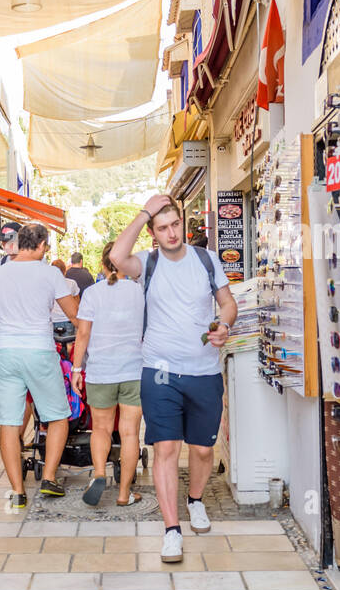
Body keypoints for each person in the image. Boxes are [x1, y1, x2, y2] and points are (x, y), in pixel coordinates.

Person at [110, 194, 237, 563]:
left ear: (183, 223)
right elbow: (117, 257)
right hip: (159, 370)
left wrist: (225, 324)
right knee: (166, 448)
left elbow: (228, 302)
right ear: (153, 232)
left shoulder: (205, 259)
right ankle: (171, 530)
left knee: (201, 449)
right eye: (162, 227)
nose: (171, 233)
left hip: (204, 371)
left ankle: (195, 500)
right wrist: (144, 211)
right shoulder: (146, 264)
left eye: (175, 225)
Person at [0, 223, 80, 507]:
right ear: (41, 245)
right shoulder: (50, 272)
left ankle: (17, 491)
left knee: (9, 421)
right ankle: (49, 478)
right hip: (39, 350)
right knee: (58, 416)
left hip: (4, 351)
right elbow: (74, 314)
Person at [71, 241, 144, 508]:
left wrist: (77, 369)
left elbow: (83, 333)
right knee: (129, 433)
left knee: (100, 428)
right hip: (134, 369)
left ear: (103, 264)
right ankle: (125, 493)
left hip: (100, 370)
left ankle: (99, 475)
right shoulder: (139, 292)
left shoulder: (92, 293)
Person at [51, 259, 80, 336]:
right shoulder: (72, 283)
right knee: (69, 344)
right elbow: (77, 301)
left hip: (53, 319)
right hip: (68, 319)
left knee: (55, 345)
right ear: (65, 270)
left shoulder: (48, 284)